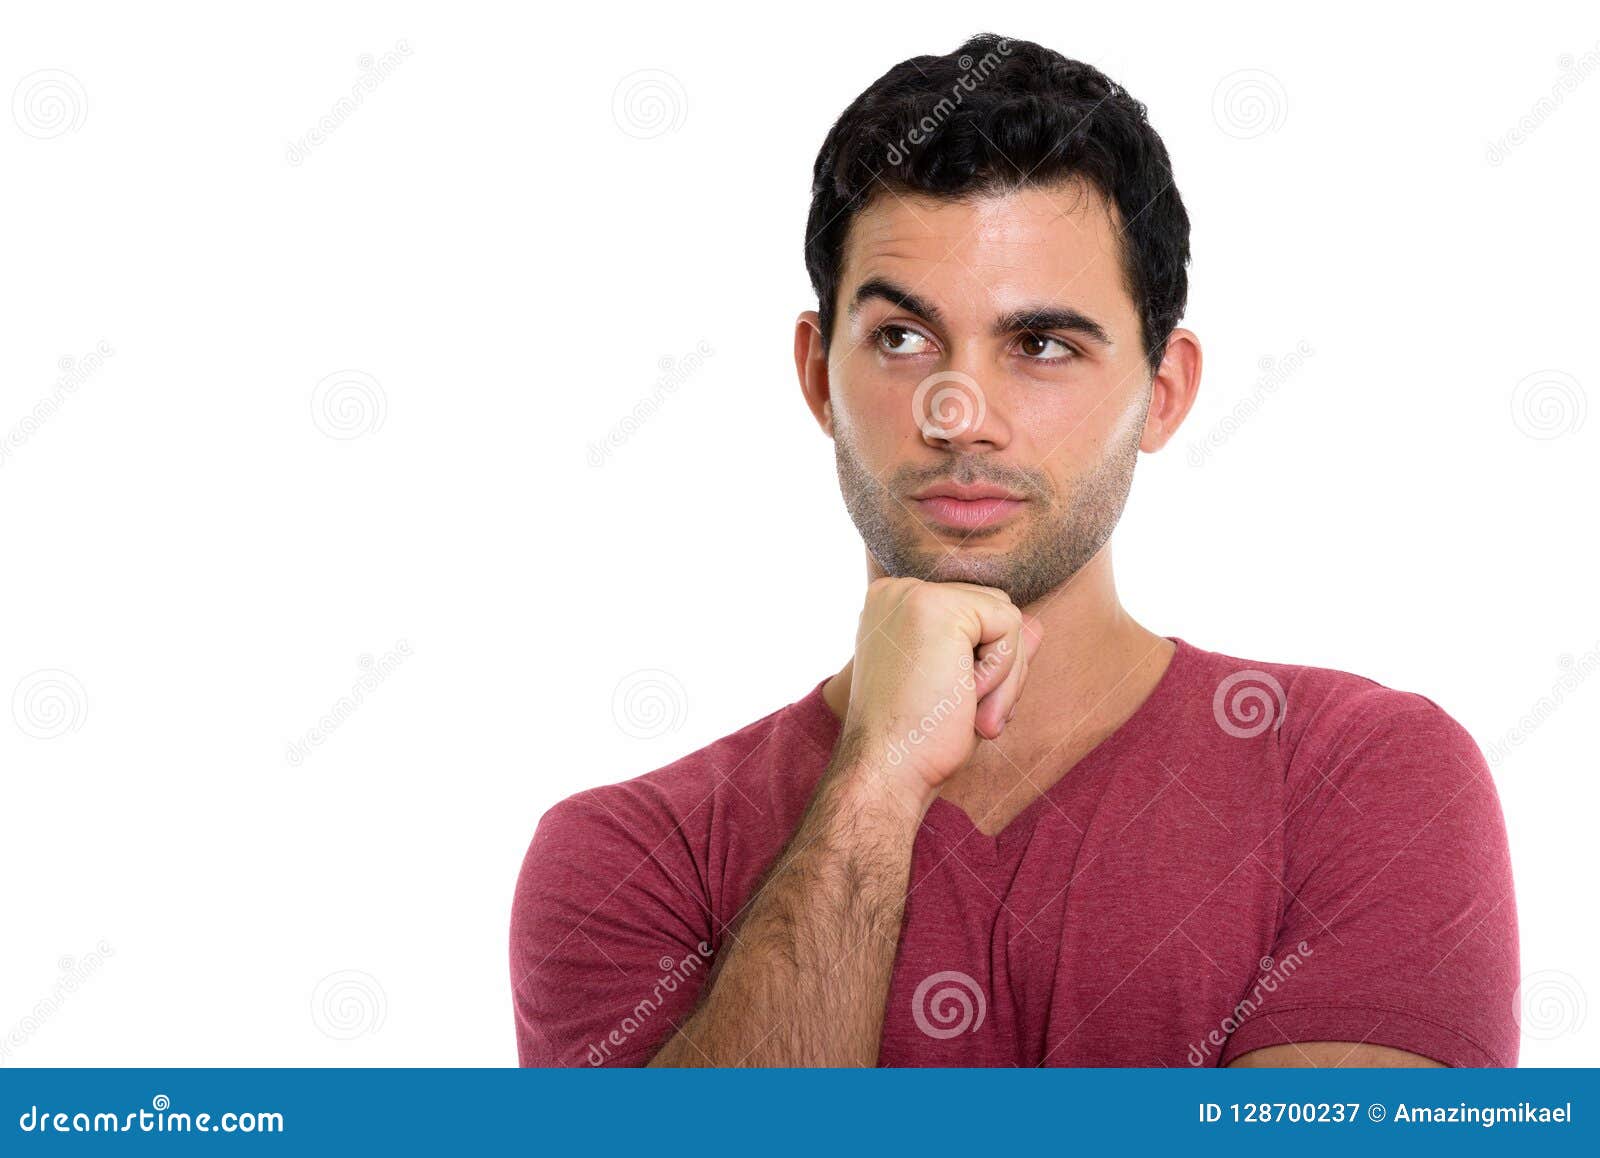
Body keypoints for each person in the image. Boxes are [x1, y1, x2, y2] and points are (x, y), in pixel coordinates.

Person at [510, 33, 1518, 1068]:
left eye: (1041, 347)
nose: (961, 416)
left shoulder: (1362, 776)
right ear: (818, 377)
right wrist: (880, 777)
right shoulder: (629, 858)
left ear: (1162, 394)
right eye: (902, 339)